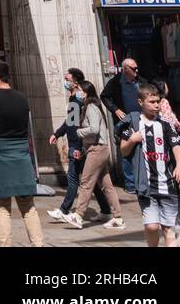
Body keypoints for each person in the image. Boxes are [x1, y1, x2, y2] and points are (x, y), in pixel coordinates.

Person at [0, 60, 43, 248]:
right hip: (21, 157)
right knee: (28, 207)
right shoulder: (23, 99)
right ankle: (38, 245)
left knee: (2, 208)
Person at [119, 82, 180, 248]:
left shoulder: (165, 124)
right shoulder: (132, 122)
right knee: (152, 226)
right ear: (141, 102)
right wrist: (132, 140)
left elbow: (177, 146)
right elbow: (123, 151)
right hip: (146, 186)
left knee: (169, 229)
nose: (156, 105)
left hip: (168, 184)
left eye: (158, 101)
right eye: (152, 102)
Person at [47, 67, 111, 223]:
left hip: (77, 145)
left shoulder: (76, 101)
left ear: (75, 83)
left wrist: (76, 147)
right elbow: (70, 122)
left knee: (74, 178)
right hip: (77, 144)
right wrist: (57, 134)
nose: (65, 82)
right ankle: (106, 210)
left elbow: (75, 126)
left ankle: (64, 209)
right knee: (92, 180)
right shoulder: (74, 100)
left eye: (67, 79)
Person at [61, 81, 124, 231]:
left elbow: (94, 129)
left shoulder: (90, 107)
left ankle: (78, 215)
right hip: (96, 149)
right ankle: (118, 218)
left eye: (80, 90)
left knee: (86, 182)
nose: (77, 92)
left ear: (86, 92)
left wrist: (78, 132)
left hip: (97, 150)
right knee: (107, 186)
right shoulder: (85, 106)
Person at [100, 58, 142, 193]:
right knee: (126, 152)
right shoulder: (116, 82)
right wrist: (115, 109)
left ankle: (142, 181)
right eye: (133, 69)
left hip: (141, 119)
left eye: (136, 68)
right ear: (125, 69)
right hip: (125, 122)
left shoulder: (141, 80)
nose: (136, 71)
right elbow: (104, 96)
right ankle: (130, 184)